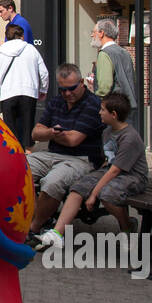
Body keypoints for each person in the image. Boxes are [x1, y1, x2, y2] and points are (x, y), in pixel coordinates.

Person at [36, 93, 148, 249]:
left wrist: (93, 194)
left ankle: (127, 226)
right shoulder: (107, 132)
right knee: (77, 188)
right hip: (111, 169)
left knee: (107, 194)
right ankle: (57, 233)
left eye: (102, 110)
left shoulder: (130, 138)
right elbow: (108, 161)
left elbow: (115, 171)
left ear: (113, 114)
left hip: (132, 175)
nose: (99, 112)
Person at [27, 63, 104, 243]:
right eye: (63, 90)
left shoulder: (93, 105)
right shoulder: (56, 101)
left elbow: (74, 140)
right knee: (17, 167)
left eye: (71, 89)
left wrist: (50, 134)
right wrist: (52, 133)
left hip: (81, 158)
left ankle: (34, 227)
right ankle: (33, 216)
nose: (67, 94)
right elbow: (35, 133)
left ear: (82, 83)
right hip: (51, 154)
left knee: (53, 182)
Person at [0, 22, 48, 149]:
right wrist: (43, 89)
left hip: (8, 93)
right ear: (22, 36)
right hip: (28, 92)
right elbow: (44, 72)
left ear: (7, 36)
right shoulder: (31, 49)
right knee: (27, 128)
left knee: (10, 130)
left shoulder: (2, 50)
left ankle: (14, 155)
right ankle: (28, 157)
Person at [90, 18, 139, 128]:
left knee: (111, 143)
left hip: (113, 109)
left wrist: (94, 100)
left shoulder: (104, 54)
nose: (92, 35)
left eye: (93, 32)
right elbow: (132, 79)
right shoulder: (124, 52)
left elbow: (105, 86)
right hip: (129, 105)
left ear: (101, 33)